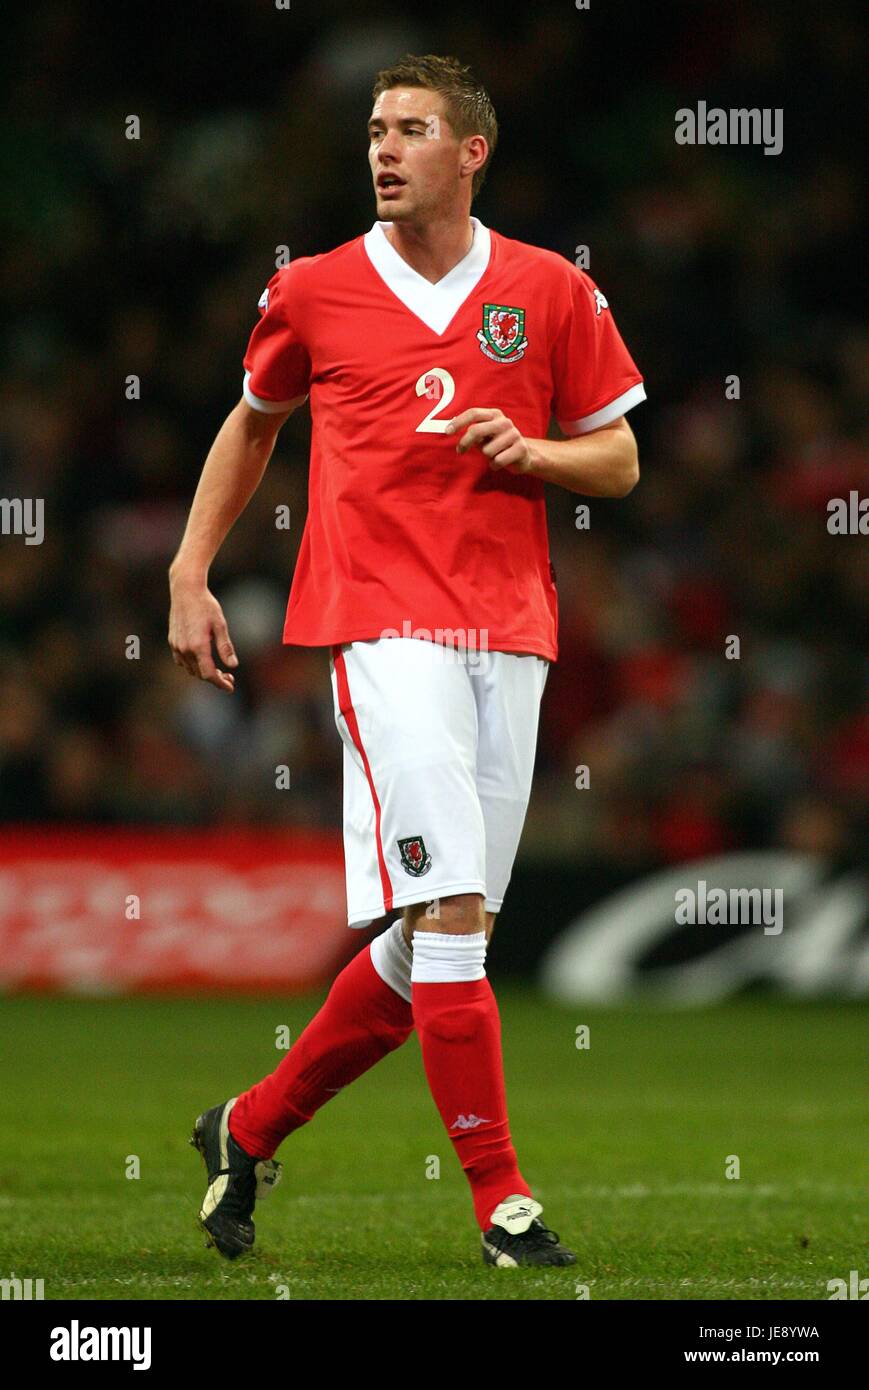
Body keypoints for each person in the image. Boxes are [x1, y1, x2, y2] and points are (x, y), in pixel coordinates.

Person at [169, 53, 645, 1268]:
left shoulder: (547, 291)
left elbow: (618, 461)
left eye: (411, 129)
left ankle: (250, 1123)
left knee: (447, 931)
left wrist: (529, 453)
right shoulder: (315, 289)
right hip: (380, 626)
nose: (383, 149)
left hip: (511, 630)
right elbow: (253, 421)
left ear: (470, 150)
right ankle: (501, 1198)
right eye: (375, 130)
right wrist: (188, 571)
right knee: (448, 914)